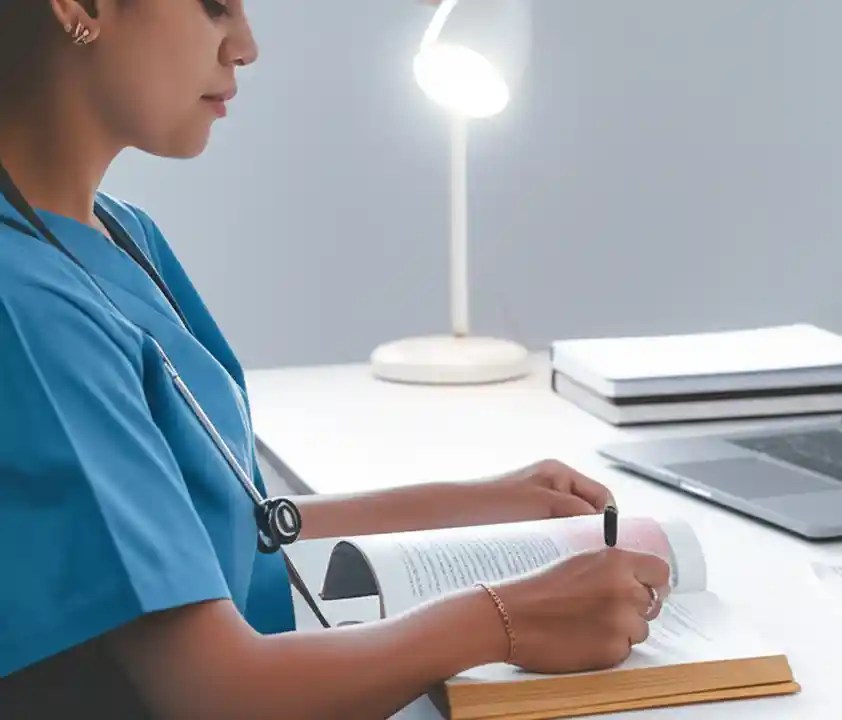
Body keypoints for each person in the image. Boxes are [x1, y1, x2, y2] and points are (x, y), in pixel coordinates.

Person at [0, 1, 671, 717]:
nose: (246, 46)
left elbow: (221, 520)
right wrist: (506, 618)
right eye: (214, 6)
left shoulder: (117, 233)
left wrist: (478, 504)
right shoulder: (23, 304)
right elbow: (216, 693)